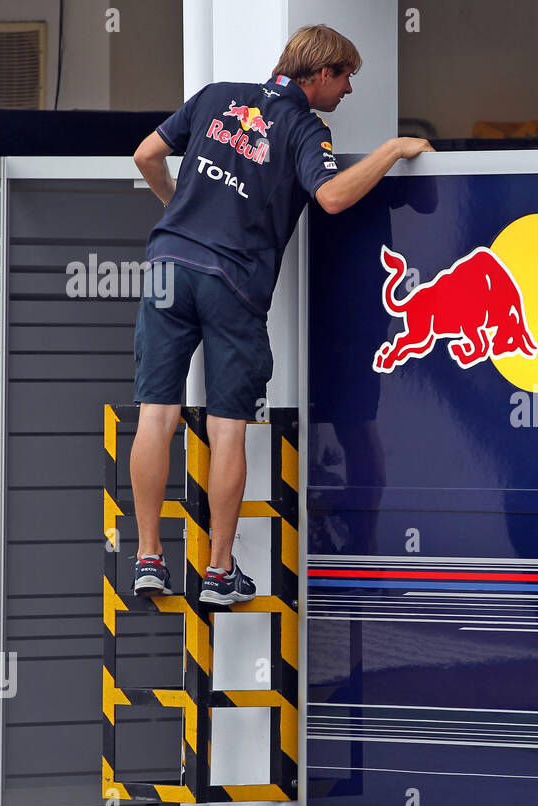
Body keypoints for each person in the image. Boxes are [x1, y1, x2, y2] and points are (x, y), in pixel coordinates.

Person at [128, 23, 433, 604]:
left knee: (156, 414)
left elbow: (145, 154)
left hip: (168, 265)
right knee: (227, 427)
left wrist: (180, 208)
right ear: (320, 74)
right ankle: (219, 571)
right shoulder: (303, 127)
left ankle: (147, 559)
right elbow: (334, 197)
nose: (347, 92)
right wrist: (394, 149)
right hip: (233, 284)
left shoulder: (216, 95)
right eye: (345, 78)